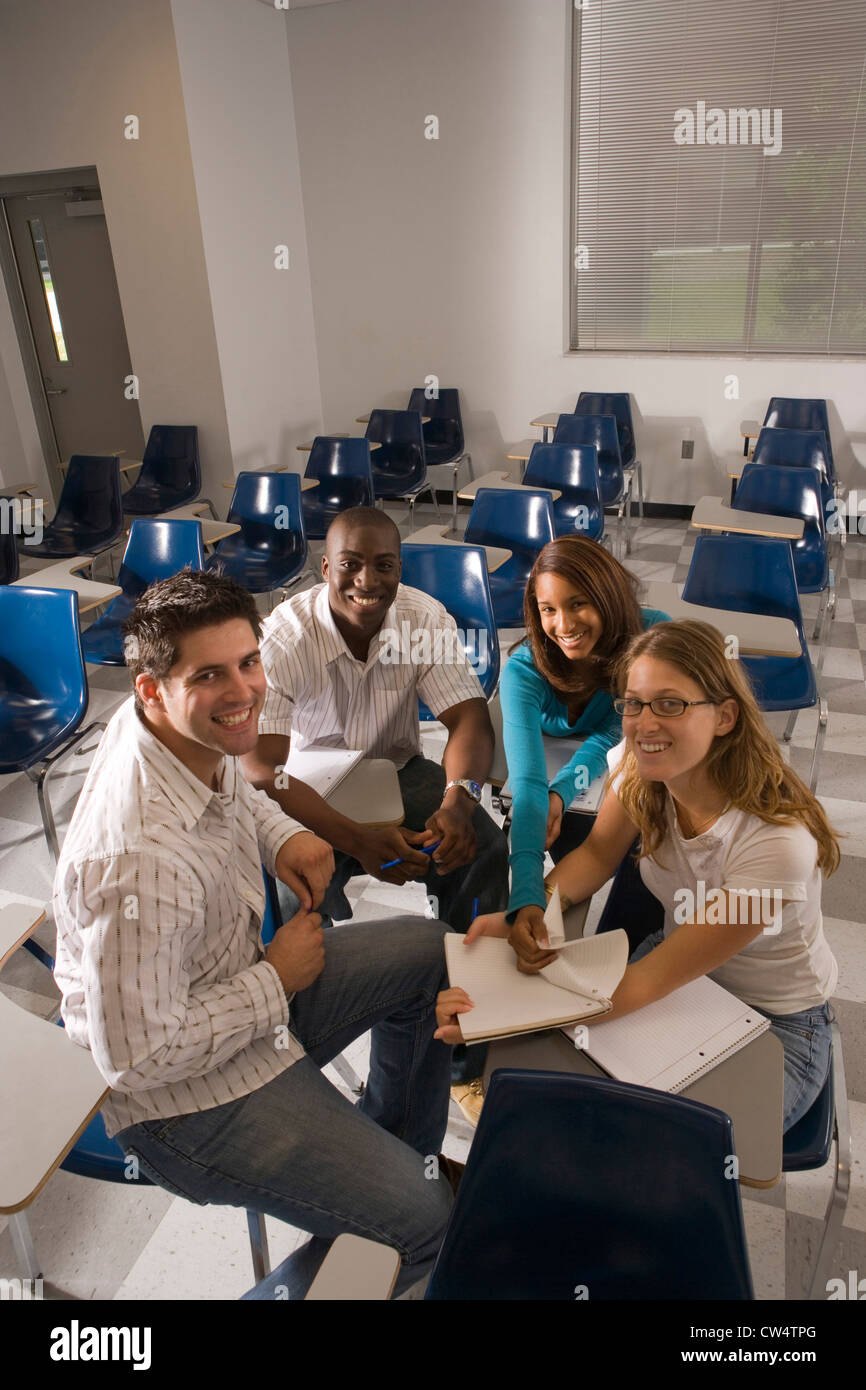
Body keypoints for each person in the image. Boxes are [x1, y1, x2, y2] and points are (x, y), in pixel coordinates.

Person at [52, 569, 457, 1299]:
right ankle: (396, 1217)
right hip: (182, 1104)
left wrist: (284, 837)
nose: (243, 692)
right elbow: (135, 1060)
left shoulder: (173, 730)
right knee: (430, 1219)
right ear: (152, 688)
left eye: (248, 662)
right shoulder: (134, 856)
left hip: (236, 991)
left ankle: (388, 1167)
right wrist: (274, 980)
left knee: (431, 954)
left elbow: (238, 787)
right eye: (210, 675)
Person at [438, 620, 840, 1132]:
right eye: (633, 703)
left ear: (725, 716)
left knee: (651, 1146)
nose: (644, 723)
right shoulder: (640, 767)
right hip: (671, 970)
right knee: (556, 1098)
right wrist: (533, 907)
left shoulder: (776, 844)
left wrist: (490, 1015)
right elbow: (595, 858)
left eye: (670, 703)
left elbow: (651, 980)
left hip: (774, 1020)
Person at [242, 506, 509, 1118]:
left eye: (384, 565)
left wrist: (458, 802)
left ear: (400, 568)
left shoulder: (421, 618)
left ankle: (465, 1052)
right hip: (304, 786)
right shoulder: (285, 635)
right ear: (325, 567)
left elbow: (468, 719)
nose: (368, 581)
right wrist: (357, 840)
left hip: (394, 767)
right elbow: (264, 770)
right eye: (351, 565)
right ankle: (297, 1042)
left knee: (485, 853)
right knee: (288, 895)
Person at [500, 535, 668, 921]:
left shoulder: (650, 635)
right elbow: (527, 785)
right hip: (553, 754)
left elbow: (613, 731)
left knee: (644, 850)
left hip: (617, 759)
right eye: (548, 609)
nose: (563, 625)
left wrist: (562, 791)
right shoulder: (524, 669)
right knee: (569, 841)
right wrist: (525, 896)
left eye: (578, 603)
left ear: (607, 596)